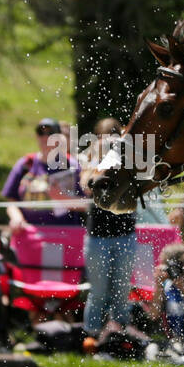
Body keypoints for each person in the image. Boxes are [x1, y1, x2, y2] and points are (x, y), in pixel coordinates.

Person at [78, 121, 139, 341]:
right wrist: (99, 155)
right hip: (97, 238)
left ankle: (121, 335)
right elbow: (87, 185)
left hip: (125, 235)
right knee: (99, 292)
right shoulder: (91, 159)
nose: (110, 139)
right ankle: (91, 334)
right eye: (105, 136)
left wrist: (119, 153)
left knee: (122, 291)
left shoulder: (129, 158)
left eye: (115, 135)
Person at [2, 119, 83, 228]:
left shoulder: (72, 166)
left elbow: (87, 204)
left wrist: (61, 197)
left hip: (64, 234)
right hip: (29, 233)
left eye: (50, 133)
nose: (45, 137)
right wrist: (16, 217)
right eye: (41, 133)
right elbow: (11, 200)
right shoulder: (25, 163)